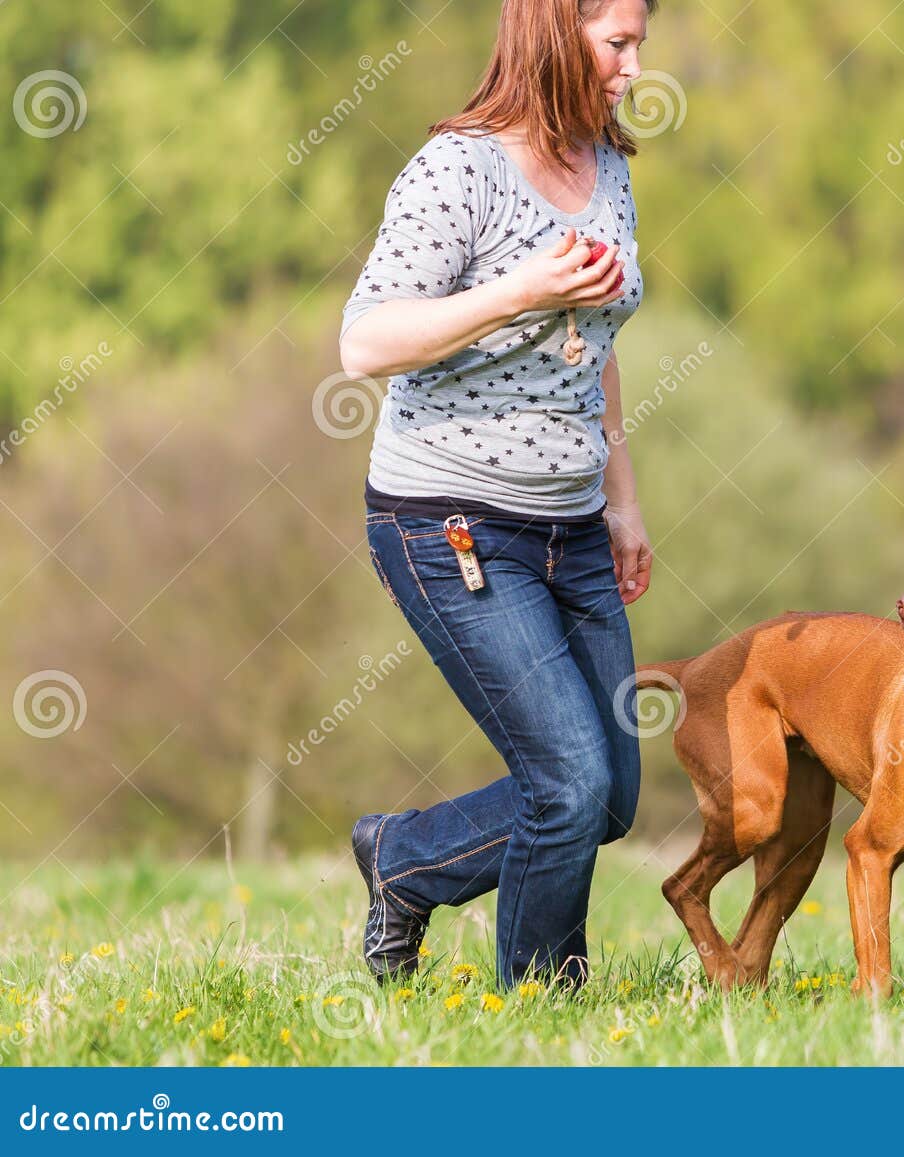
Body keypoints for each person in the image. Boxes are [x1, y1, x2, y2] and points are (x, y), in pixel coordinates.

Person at [339, 0, 658, 991]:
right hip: (449, 522)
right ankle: (537, 1010)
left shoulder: (608, 166)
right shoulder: (458, 169)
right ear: (557, 35)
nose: (636, 67)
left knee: (607, 799)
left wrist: (622, 497)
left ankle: (403, 859)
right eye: (619, 43)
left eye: (641, 43)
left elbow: (593, 342)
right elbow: (365, 342)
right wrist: (517, 289)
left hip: (572, 522)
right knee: (568, 784)